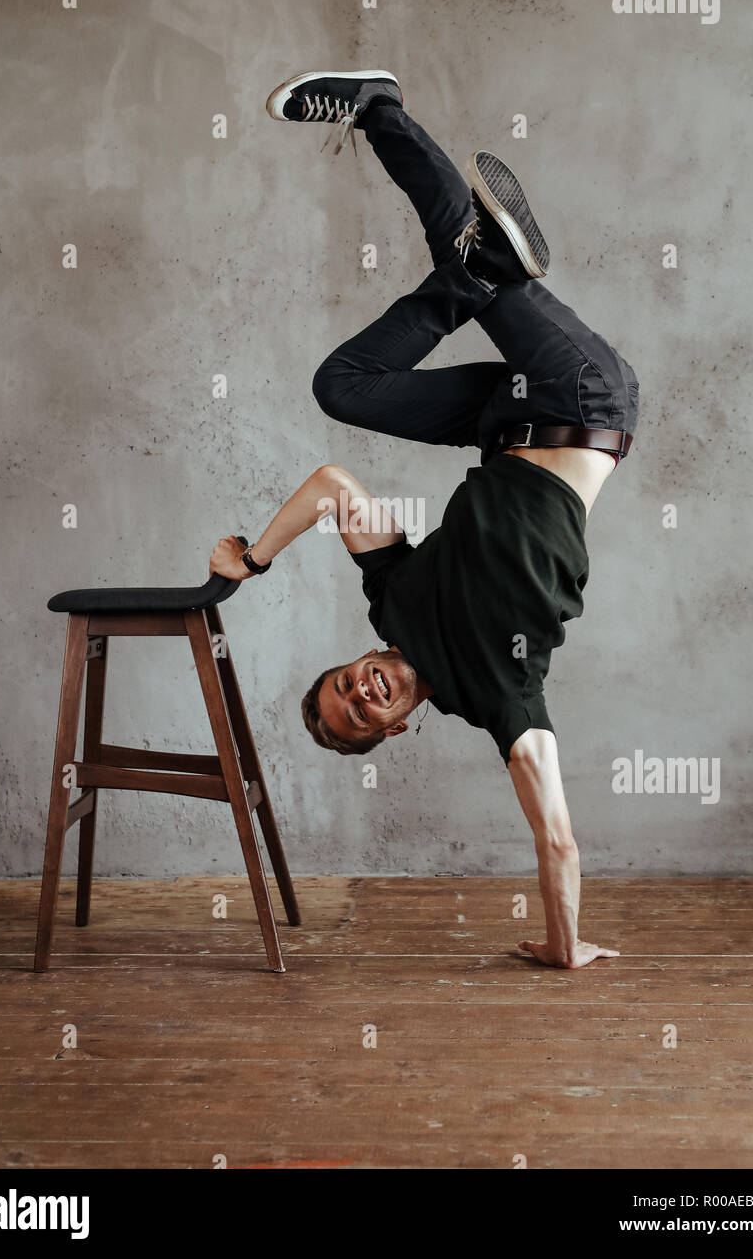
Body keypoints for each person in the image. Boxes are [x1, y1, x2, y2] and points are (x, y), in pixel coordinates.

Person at [209, 70, 640, 969]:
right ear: (393, 729)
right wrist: (565, 949)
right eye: (361, 714)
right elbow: (557, 838)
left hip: (500, 421)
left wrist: (256, 559)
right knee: (474, 253)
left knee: (343, 388)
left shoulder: (394, 599)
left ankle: (437, 211)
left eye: (345, 683)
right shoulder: (501, 698)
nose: (361, 694)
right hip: (580, 400)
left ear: (359, 661)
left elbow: (332, 485)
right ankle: (389, 127)